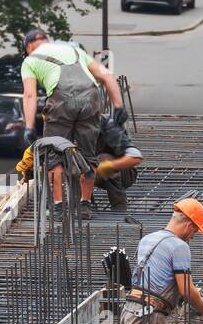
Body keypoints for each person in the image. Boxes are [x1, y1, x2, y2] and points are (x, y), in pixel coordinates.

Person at [20, 27, 125, 220]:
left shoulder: (30, 60)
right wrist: (119, 106)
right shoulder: (74, 50)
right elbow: (107, 76)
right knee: (88, 155)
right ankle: (85, 206)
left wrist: (28, 126)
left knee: (54, 155)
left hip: (61, 101)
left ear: (28, 46)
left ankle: (59, 207)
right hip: (91, 98)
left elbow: (29, 95)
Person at [120, 196, 203, 324]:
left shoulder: (147, 239)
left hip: (128, 313)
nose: (192, 237)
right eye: (195, 231)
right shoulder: (179, 246)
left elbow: (153, 280)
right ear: (189, 225)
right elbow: (186, 290)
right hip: (148, 317)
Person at [92, 112, 144, 218]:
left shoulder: (109, 125)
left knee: (104, 158)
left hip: (122, 173)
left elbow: (134, 157)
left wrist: (110, 165)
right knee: (73, 160)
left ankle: (119, 208)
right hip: (92, 172)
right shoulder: (72, 125)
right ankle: (85, 205)